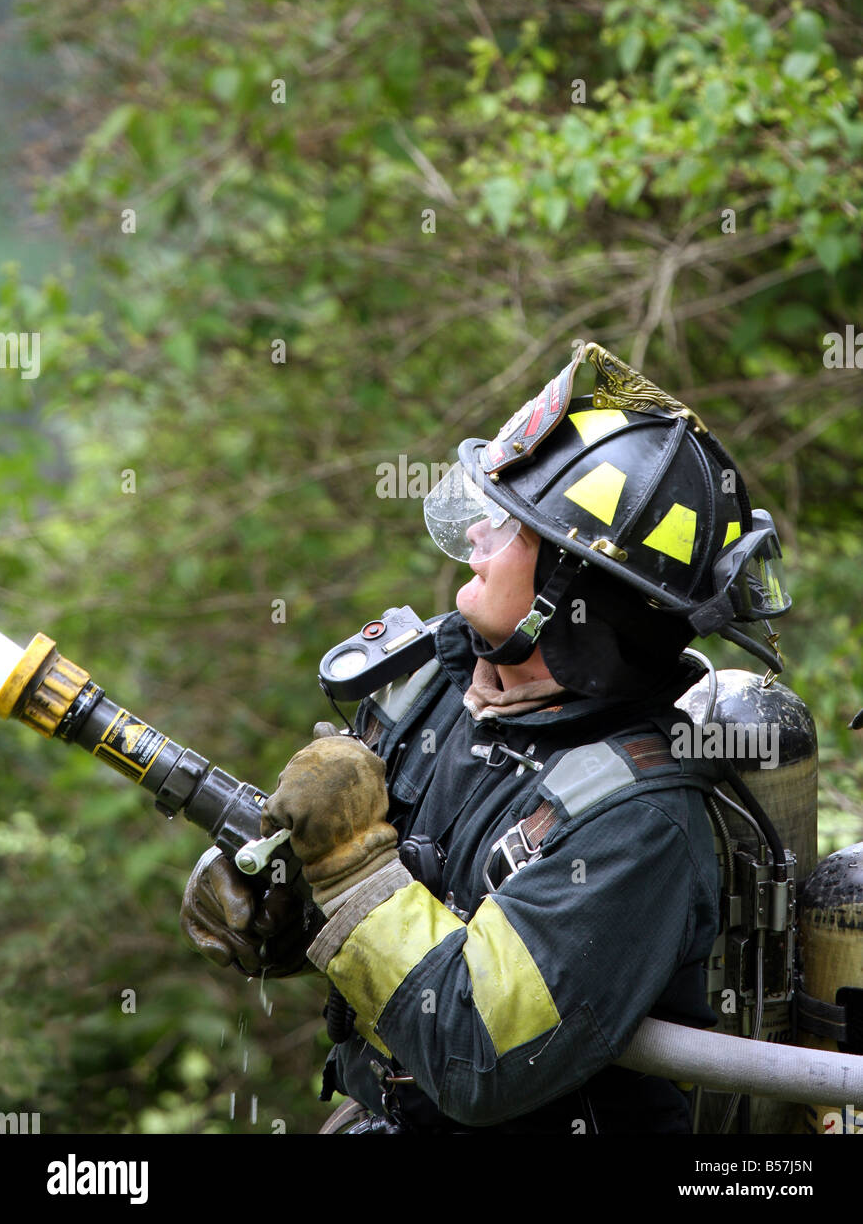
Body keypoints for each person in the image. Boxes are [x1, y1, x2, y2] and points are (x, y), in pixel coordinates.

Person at [180, 339, 791, 1134]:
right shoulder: (432, 686)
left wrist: (343, 870)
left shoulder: (642, 822)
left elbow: (478, 1051)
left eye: (511, 525)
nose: (478, 535)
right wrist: (280, 903)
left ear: (575, 590)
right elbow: (389, 906)